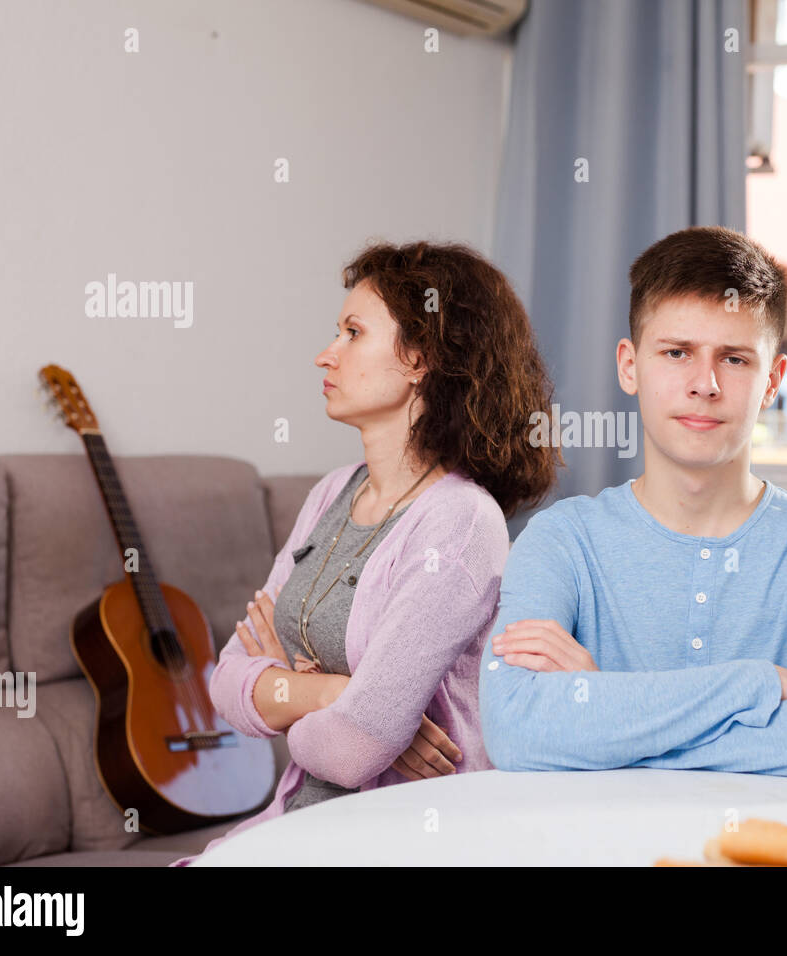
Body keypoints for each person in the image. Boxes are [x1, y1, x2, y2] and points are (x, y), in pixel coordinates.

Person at [478, 226, 787, 782]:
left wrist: (607, 713)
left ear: (773, 380)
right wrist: (760, 684)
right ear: (630, 365)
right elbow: (515, 732)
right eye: (677, 352)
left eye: (734, 359)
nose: (704, 384)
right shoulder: (559, 540)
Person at [171, 240, 558, 865]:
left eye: (354, 332)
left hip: (399, 840)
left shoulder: (459, 523)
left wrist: (309, 698)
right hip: (298, 823)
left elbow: (352, 753)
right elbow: (228, 678)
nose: (325, 354)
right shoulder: (332, 492)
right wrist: (335, 692)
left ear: (420, 359)